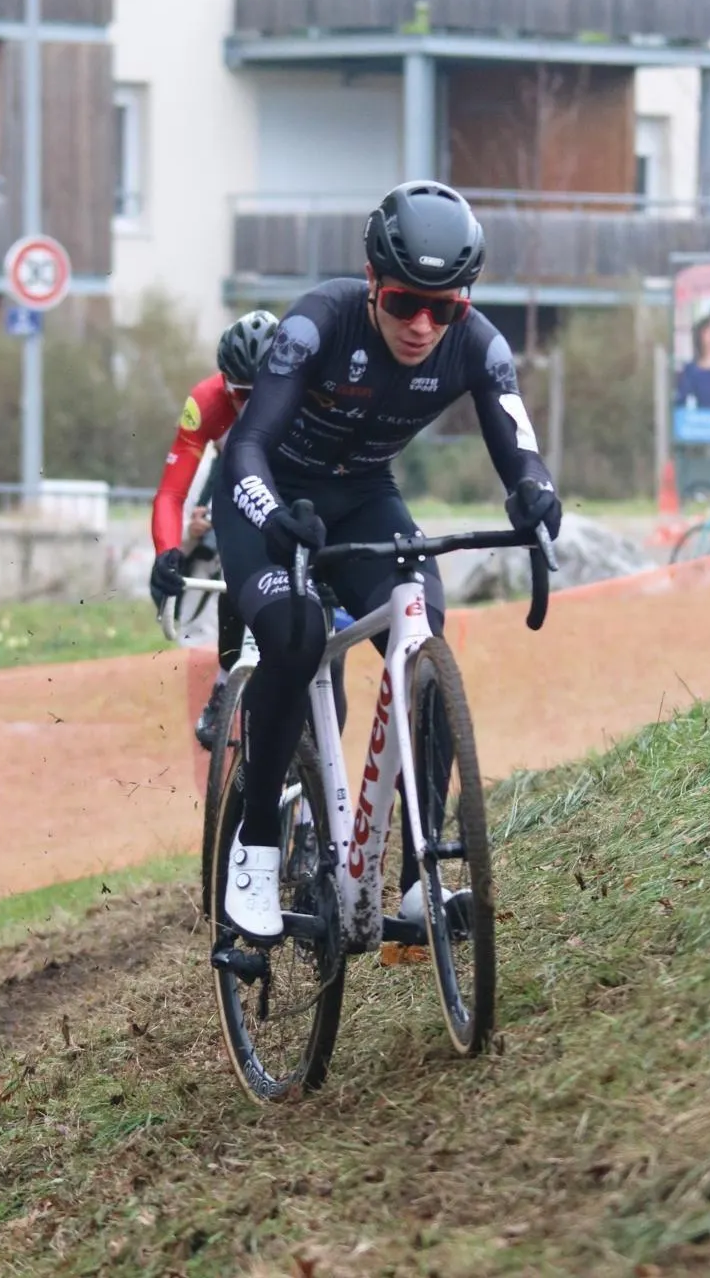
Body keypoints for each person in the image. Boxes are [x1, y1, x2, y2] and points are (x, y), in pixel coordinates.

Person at [169, 180, 562, 946]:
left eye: (443, 307)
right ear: (373, 285)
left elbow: (515, 435)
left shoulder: (476, 344)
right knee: (294, 634)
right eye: (405, 303)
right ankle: (251, 851)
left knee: (423, 632)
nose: (422, 325)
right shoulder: (319, 323)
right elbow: (245, 445)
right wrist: (271, 514)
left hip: (361, 499)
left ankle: (420, 880)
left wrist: (534, 492)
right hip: (268, 495)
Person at [149, 310, 279, 749]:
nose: (248, 404)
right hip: (235, 486)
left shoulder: (310, 393)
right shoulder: (206, 401)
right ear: (225, 381)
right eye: (239, 393)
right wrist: (168, 550)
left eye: (261, 392)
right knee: (237, 560)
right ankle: (226, 682)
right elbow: (170, 494)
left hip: (294, 483)